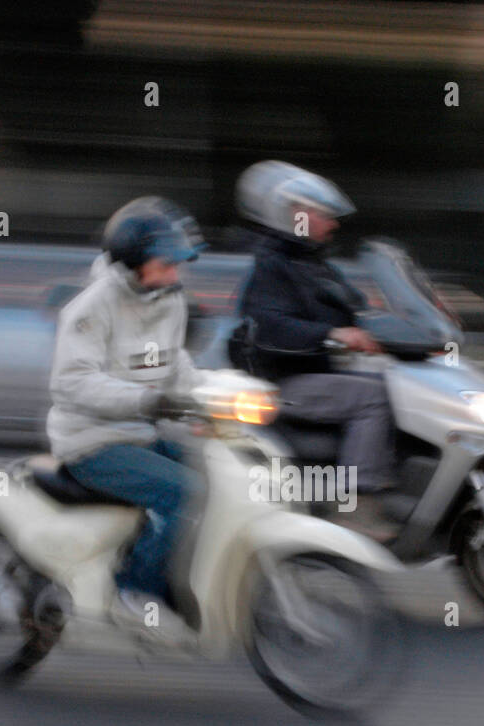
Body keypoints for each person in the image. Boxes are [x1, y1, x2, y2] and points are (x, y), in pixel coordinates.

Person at [45, 197, 206, 645]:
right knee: (185, 492)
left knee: (220, 474)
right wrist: (147, 401)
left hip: (140, 434)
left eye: (177, 263)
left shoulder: (169, 300)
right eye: (165, 263)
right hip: (92, 443)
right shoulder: (91, 308)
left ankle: (183, 579)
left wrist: (215, 396)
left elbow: (179, 368)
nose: (175, 272)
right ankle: (135, 591)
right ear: (133, 263)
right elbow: (72, 384)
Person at [234, 160, 399, 542]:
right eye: (325, 215)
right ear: (297, 215)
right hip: (284, 383)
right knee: (373, 397)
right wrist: (334, 334)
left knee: (394, 386)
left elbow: (356, 306)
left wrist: (400, 327)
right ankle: (356, 507)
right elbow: (271, 327)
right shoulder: (272, 266)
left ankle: (395, 484)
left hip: (313, 374)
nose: (334, 223)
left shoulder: (310, 264)